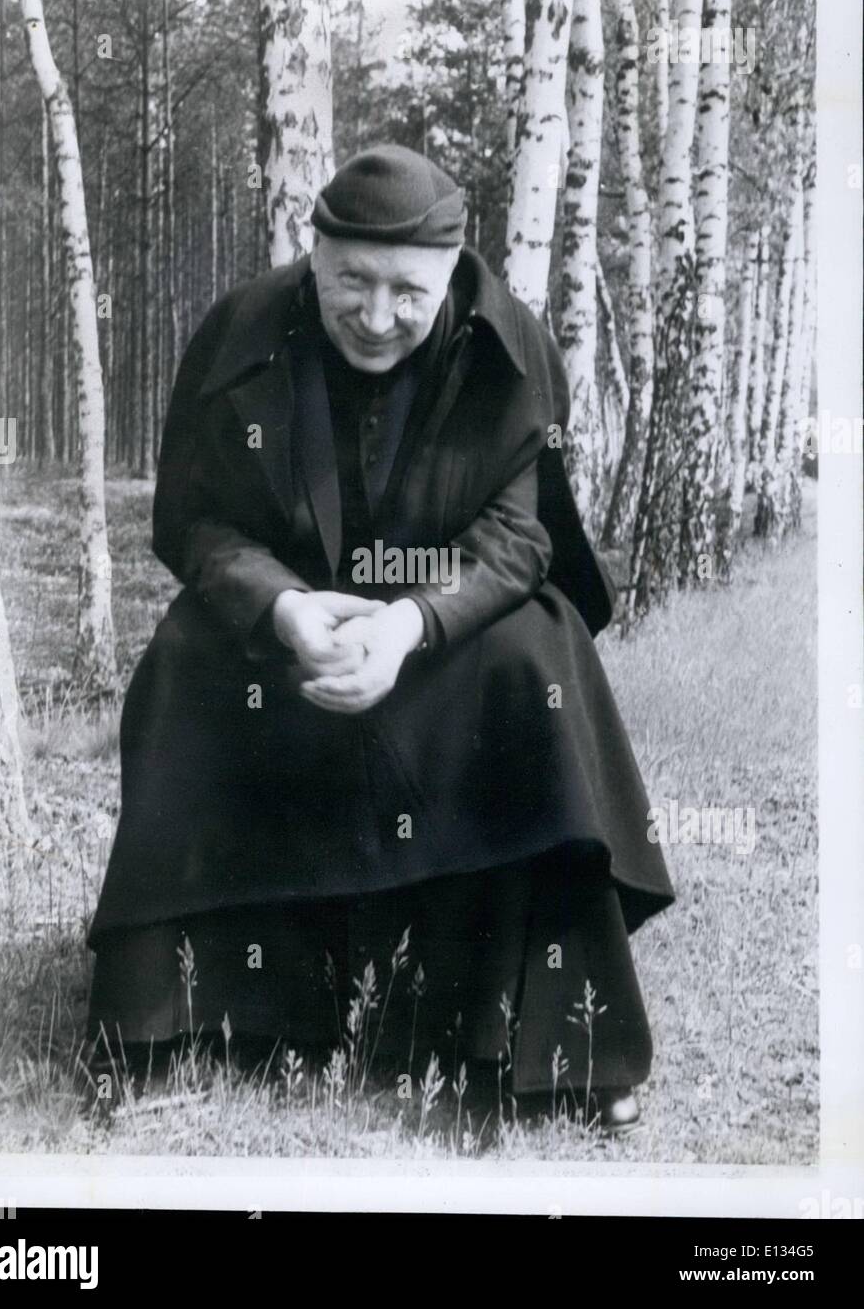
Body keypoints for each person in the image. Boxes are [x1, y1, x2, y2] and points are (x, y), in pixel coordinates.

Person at [86, 144, 674, 1133]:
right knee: (186, 655)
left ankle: (559, 1048)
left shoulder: (508, 343)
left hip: (439, 626)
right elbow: (190, 521)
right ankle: (174, 1016)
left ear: (451, 270)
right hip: (288, 626)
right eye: (347, 281)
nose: (371, 314)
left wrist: (408, 622)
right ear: (311, 256)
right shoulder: (239, 330)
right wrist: (281, 606)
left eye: (404, 290)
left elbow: (519, 532)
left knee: (540, 655)